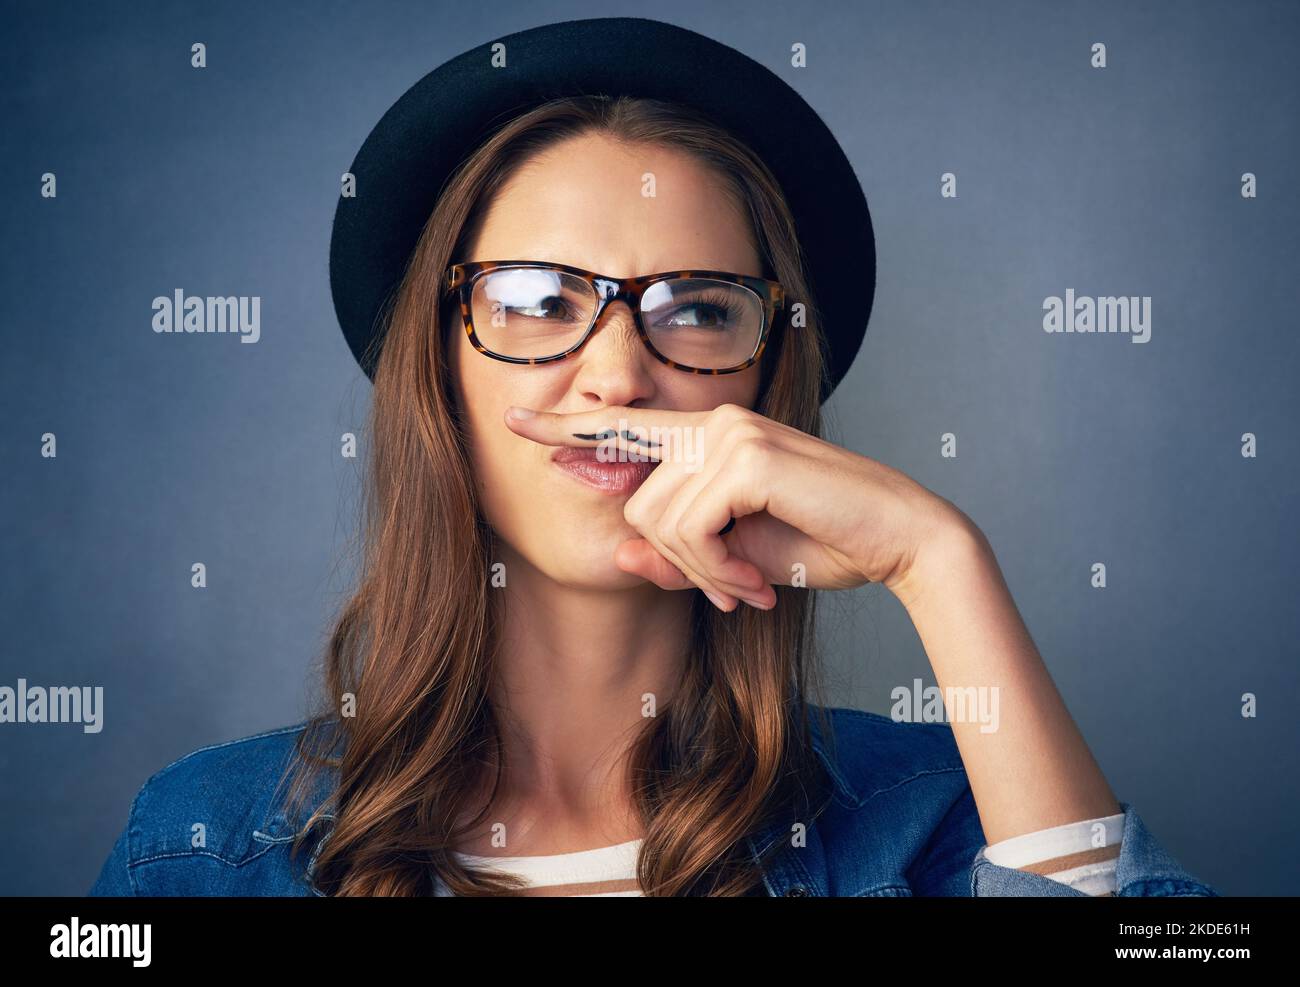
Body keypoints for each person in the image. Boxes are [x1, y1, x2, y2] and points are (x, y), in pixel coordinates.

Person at [88, 18, 1217, 897]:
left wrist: (940, 559)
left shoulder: (936, 816)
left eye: (697, 308)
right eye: (536, 301)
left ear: (768, 379)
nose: (619, 375)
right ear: (438, 372)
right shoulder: (200, 845)